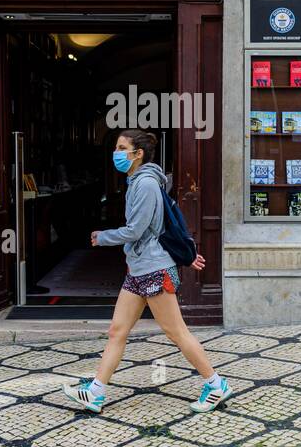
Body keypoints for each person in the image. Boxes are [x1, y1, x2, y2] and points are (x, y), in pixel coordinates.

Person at [62, 130, 232, 414]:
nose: (116, 153)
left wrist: (103, 237)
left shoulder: (146, 185)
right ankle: (95, 392)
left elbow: (137, 230)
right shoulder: (138, 182)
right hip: (139, 269)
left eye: (121, 148)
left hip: (153, 270)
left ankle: (216, 385)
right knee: (118, 330)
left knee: (176, 332)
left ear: (138, 153)